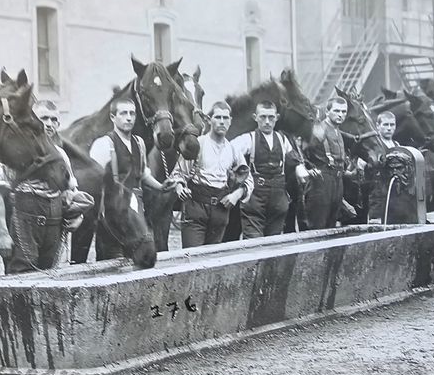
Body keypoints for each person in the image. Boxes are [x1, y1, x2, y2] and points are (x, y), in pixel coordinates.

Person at [0, 100, 92, 274]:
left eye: (54, 120)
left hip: (54, 225)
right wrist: (2, 235)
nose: (50, 124)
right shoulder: (17, 152)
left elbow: (70, 191)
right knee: (20, 275)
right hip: (25, 223)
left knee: (49, 277)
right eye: (44, 118)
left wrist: (78, 217)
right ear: (33, 120)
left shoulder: (61, 155)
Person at [88, 97, 170, 260]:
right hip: (112, 219)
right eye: (123, 113)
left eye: (132, 113)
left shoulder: (139, 143)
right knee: (111, 264)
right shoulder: (104, 144)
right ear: (113, 117)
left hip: (135, 217)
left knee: (137, 263)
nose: (129, 117)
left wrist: (161, 186)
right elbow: (94, 182)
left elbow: (143, 173)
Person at [171, 101, 254, 248]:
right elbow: (178, 173)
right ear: (209, 120)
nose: (222, 122)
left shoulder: (233, 150)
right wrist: (180, 188)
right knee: (192, 258)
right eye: (218, 117)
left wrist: (236, 195)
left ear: (230, 121)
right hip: (196, 208)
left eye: (225, 118)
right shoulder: (198, 144)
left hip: (220, 212)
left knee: (212, 260)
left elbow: (248, 180)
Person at [230, 101, 308, 238]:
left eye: (271, 117)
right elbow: (228, 151)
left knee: (274, 244)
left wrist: (299, 166)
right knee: (254, 243)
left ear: (277, 117)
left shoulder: (282, 139)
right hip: (255, 199)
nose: (267, 121)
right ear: (255, 117)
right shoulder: (248, 139)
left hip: (278, 200)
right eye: (263, 117)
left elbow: (292, 156)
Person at [300, 97, 349, 229]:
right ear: (327, 112)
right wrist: (308, 169)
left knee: (332, 225)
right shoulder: (318, 130)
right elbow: (301, 152)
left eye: (344, 112)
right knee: (318, 226)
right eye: (337, 111)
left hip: (337, 182)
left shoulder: (338, 132)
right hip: (321, 183)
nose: (341, 114)